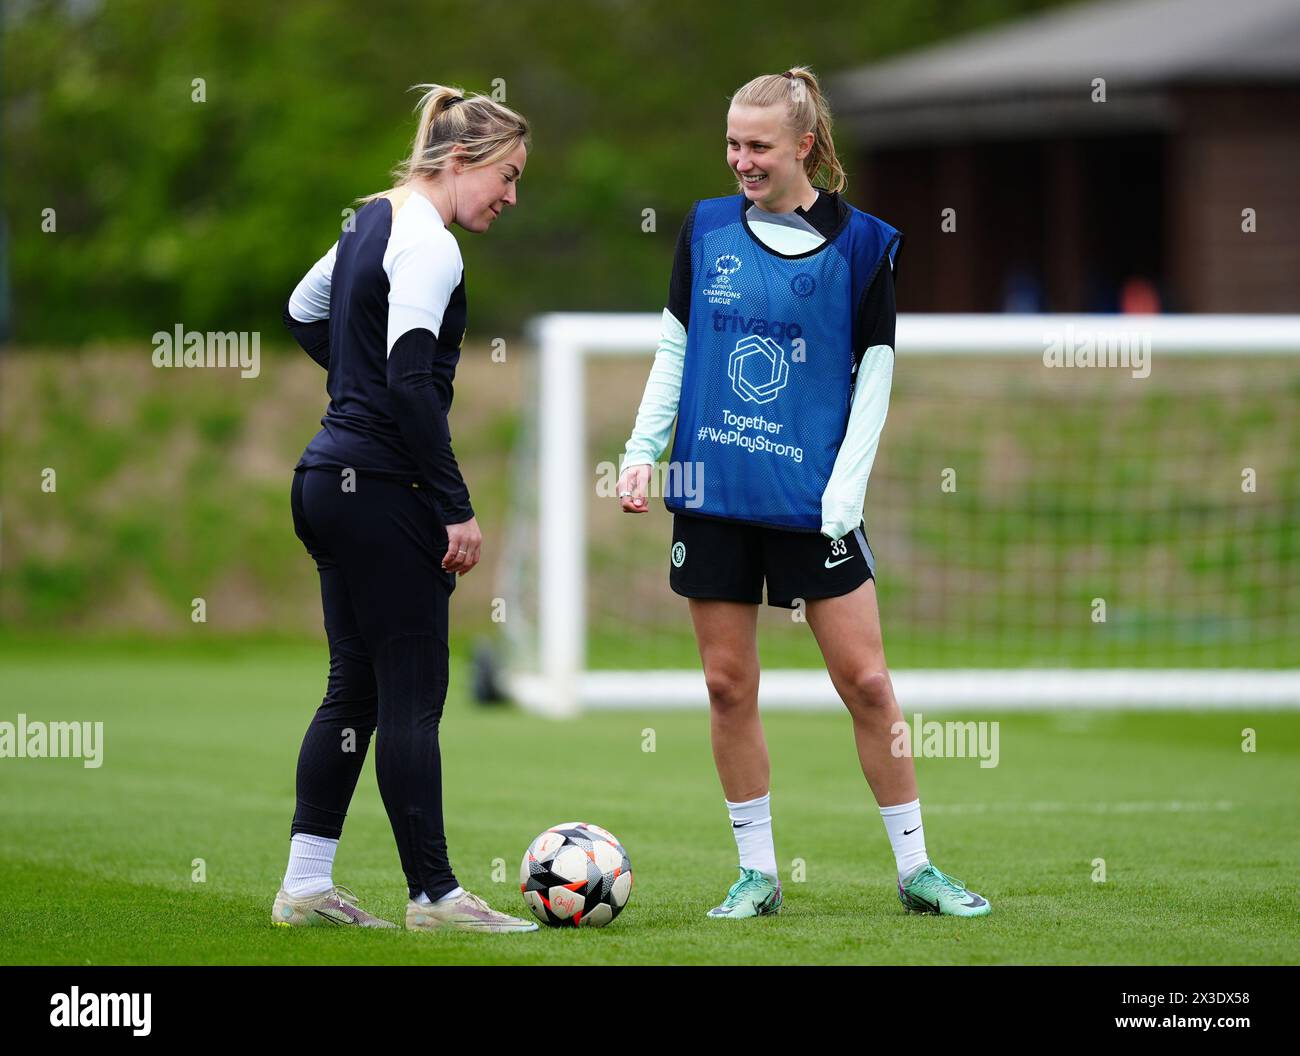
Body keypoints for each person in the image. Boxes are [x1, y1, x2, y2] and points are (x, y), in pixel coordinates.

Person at [616, 67, 990, 919]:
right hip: (709, 489)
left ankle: (917, 868)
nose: (740, 161)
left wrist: (844, 494)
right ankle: (757, 874)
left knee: (865, 682)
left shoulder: (865, 247)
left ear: (804, 147)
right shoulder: (706, 229)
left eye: (758, 147)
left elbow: (876, 380)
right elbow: (676, 348)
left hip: (815, 501)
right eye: (731, 144)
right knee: (726, 684)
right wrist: (642, 452)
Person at [273, 84, 537, 933]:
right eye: (505, 174)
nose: (510, 194)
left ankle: (306, 887)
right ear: (459, 161)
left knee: (353, 692)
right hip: (382, 489)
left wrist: (353, 386)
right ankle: (435, 896)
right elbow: (414, 382)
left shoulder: (369, 217)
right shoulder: (432, 244)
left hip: (323, 479)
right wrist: (455, 506)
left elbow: (301, 311)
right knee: (411, 696)